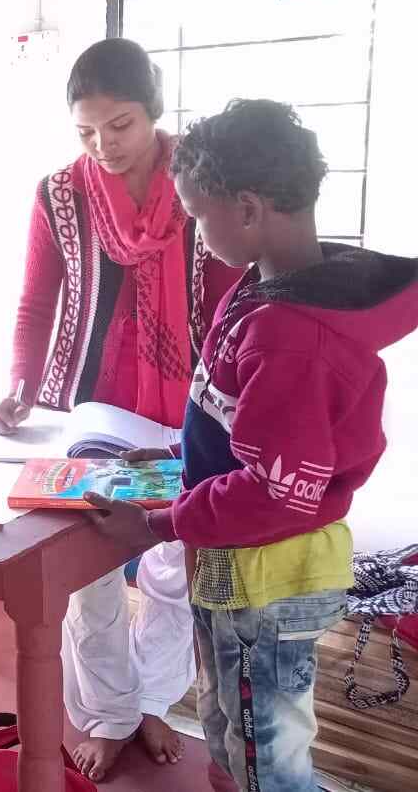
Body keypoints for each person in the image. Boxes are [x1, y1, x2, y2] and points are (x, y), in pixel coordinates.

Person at [88, 99, 418, 792]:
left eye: (198, 215)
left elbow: (276, 490)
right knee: (230, 729)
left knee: (268, 753)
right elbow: (241, 424)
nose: (195, 232)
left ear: (246, 208)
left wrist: (155, 526)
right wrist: (179, 455)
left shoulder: (293, 336)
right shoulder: (262, 288)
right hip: (235, 566)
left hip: (267, 581)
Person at [0, 39, 244, 781]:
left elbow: (234, 300)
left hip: (195, 401)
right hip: (102, 403)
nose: (104, 145)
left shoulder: (201, 180)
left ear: (154, 111)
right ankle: (108, 712)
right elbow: (35, 299)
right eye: (86, 131)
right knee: (90, 556)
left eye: (121, 124)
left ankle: (153, 700)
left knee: (175, 561)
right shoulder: (59, 196)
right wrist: (21, 382)